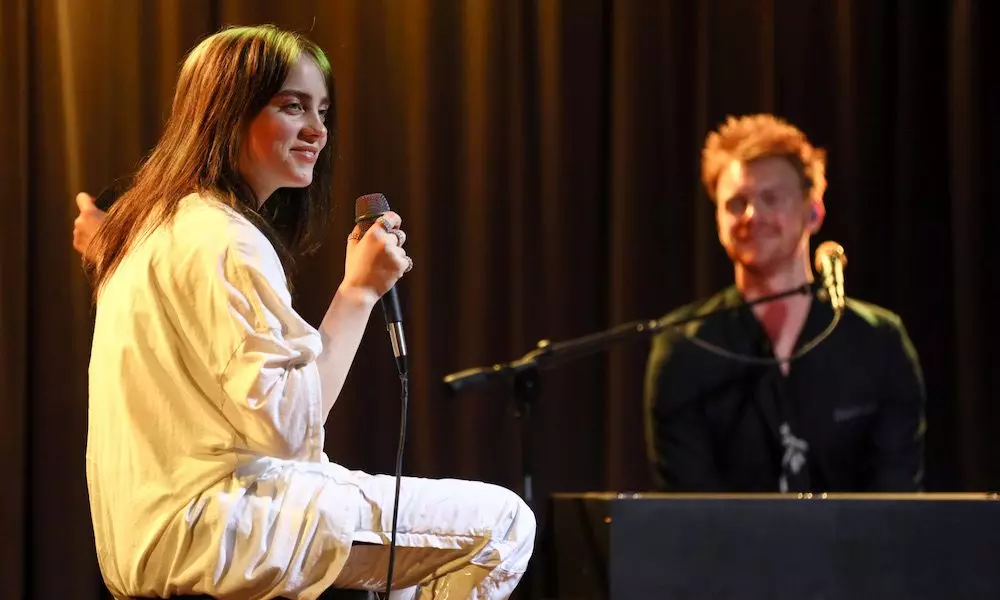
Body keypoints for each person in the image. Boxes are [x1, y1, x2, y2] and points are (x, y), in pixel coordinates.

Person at [82, 25, 534, 600]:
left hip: (164, 528)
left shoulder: (155, 225)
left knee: (408, 555)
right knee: (502, 526)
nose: (317, 130)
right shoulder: (224, 238)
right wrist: (358, 293)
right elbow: (286, 431)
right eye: (292, 106)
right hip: (216, 524)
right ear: (226, 110)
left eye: (322, 110)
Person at [644, 113, 926, 494]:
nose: (751, 216)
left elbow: (897, 496)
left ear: (814, 211)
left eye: (770, 198)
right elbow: (689, 507)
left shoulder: (879, 341)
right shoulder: (684, 345)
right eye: (735, 203)